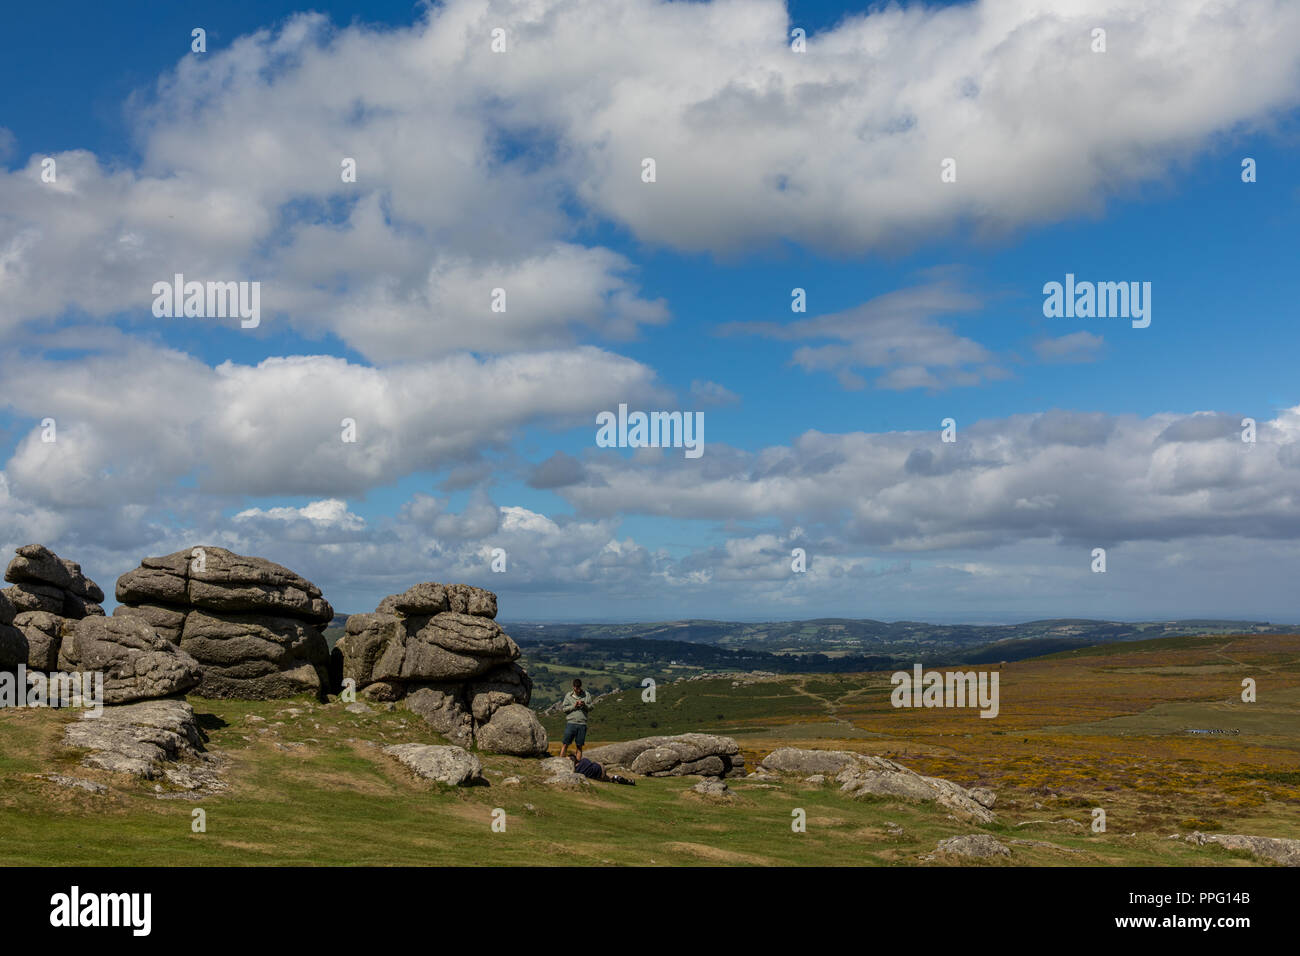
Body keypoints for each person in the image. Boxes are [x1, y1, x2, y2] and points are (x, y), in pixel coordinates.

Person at [558, 678, 592, 760]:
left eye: (579, 687)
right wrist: (574, 706)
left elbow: (591, 707)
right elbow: (564, 709)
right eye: (576, 688)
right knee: (565, 743)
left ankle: (578, 764)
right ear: (573, 687)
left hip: (582, 724)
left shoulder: (587, 695)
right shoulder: (568, 696)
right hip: (571, 723)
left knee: (579, 746)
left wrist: (584, 705)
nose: (578, 689)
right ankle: (560, 761)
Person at [569, 753, 635, 785]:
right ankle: (621, 779)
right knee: (608, 775)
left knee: (607, 778)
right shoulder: (584, 760)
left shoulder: (577, 771)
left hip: (598, 775)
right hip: (600, 767)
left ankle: (616, 778)